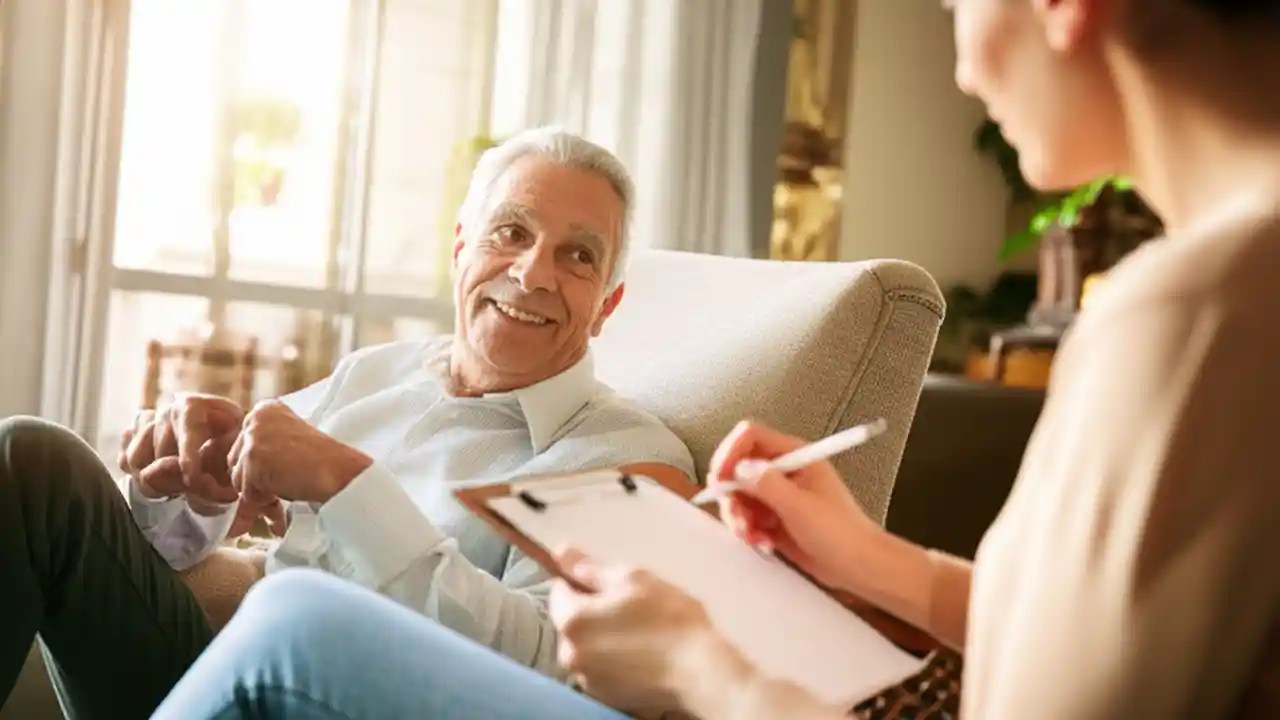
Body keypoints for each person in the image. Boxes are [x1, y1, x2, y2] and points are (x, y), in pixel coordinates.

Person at [152, 0, 1280, 717]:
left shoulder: (1193, 318)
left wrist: (705, 668)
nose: (955, 49)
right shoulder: (1211, 298)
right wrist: (871, 561)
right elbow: (1068, 636)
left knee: (296, 626)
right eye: (508, 234)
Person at [0, 128, 696, 719]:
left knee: (297, 605)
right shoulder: (378, 375)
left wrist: (348, 484)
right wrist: (191, 493)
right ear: (461, 249)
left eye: (579, 256)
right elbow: (199, 544)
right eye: (512, 232)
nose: (534, 273)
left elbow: (553, 670)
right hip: (230, 674)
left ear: (607, 305)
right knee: (32, 457)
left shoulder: (631, 456)